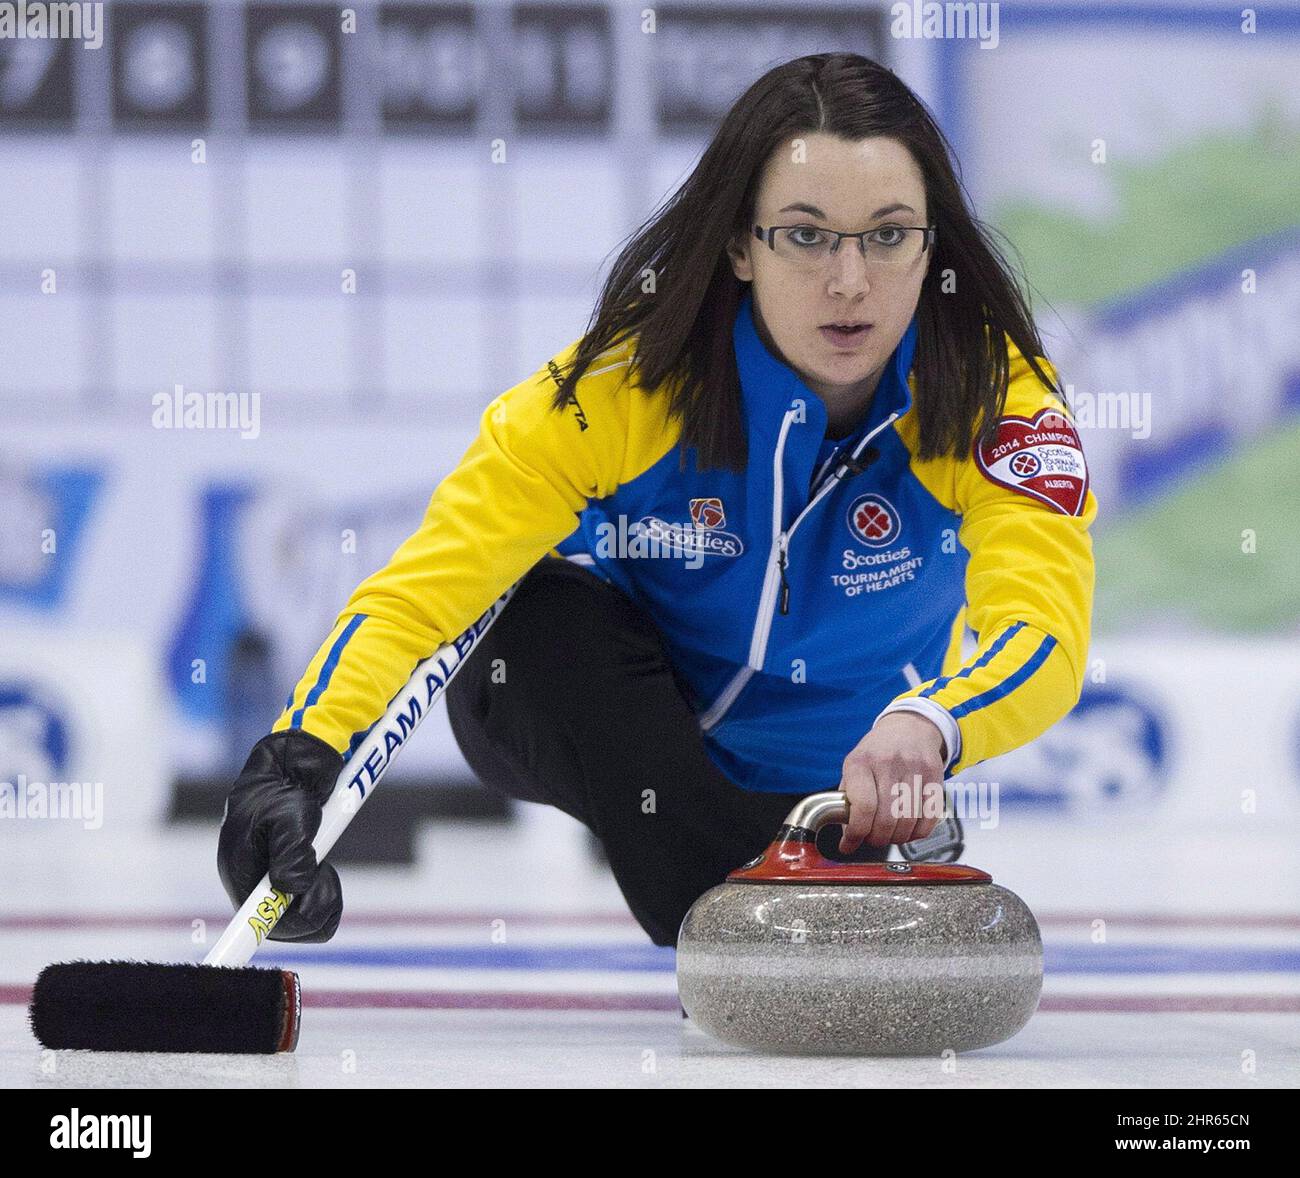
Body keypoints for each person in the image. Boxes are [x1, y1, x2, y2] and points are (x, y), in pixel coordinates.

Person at [218, 52, 1097, 949]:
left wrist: (932, 723)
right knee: (524, 617)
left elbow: (1045, 632)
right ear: (738, 247)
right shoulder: (620, 395)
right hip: (632, 731)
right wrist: (296, 761)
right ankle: (728, 899)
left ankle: (757, 868)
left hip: (846, 781)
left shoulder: (998, 403)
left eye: (888, 234)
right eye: (804, 234)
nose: (849, 282)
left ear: (932, 246)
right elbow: (424, 592)